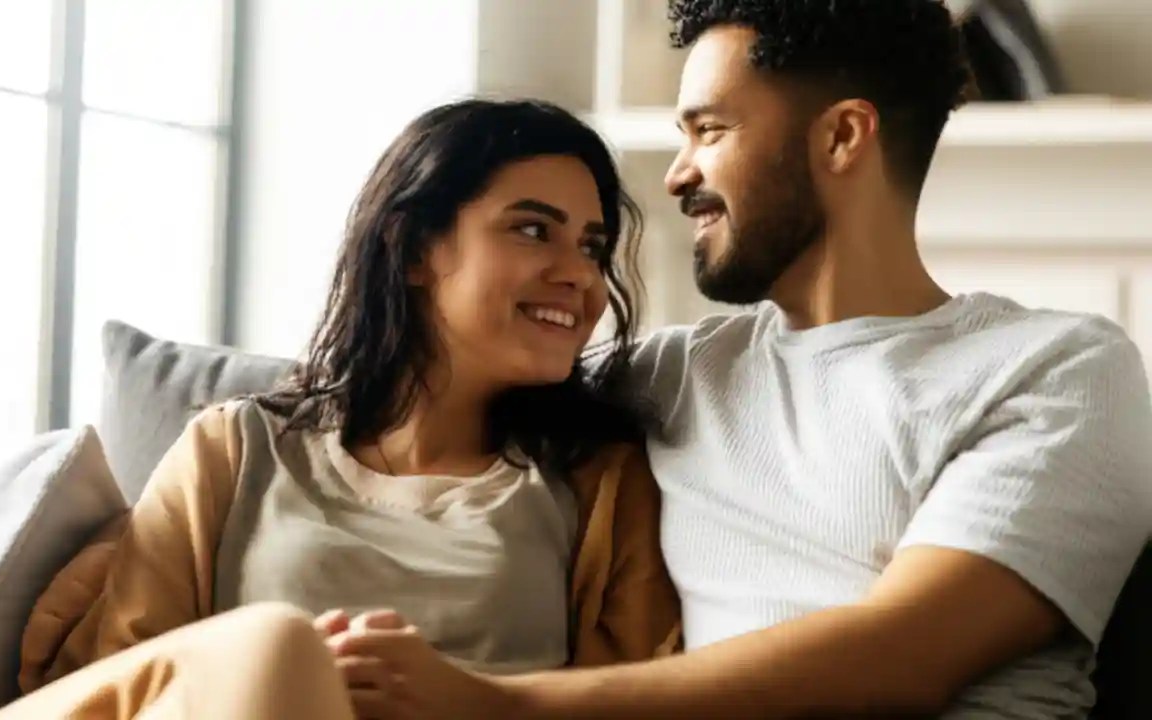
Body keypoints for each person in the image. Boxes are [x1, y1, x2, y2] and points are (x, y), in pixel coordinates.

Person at [323, 2, 1152, 718]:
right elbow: (425, 393)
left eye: (710, 130)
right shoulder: (668, 377)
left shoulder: (1056, 368)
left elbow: (901, 658)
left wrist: (497, 703)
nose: (679, 175)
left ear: (843, 137)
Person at [0, 98, 680, 719]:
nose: (581, 276)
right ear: (411, 247)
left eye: (592, 246)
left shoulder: (598, 483)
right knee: (279, 646)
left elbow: (633, 700)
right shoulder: (234, 450)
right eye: (533, 231)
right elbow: (130, 676)